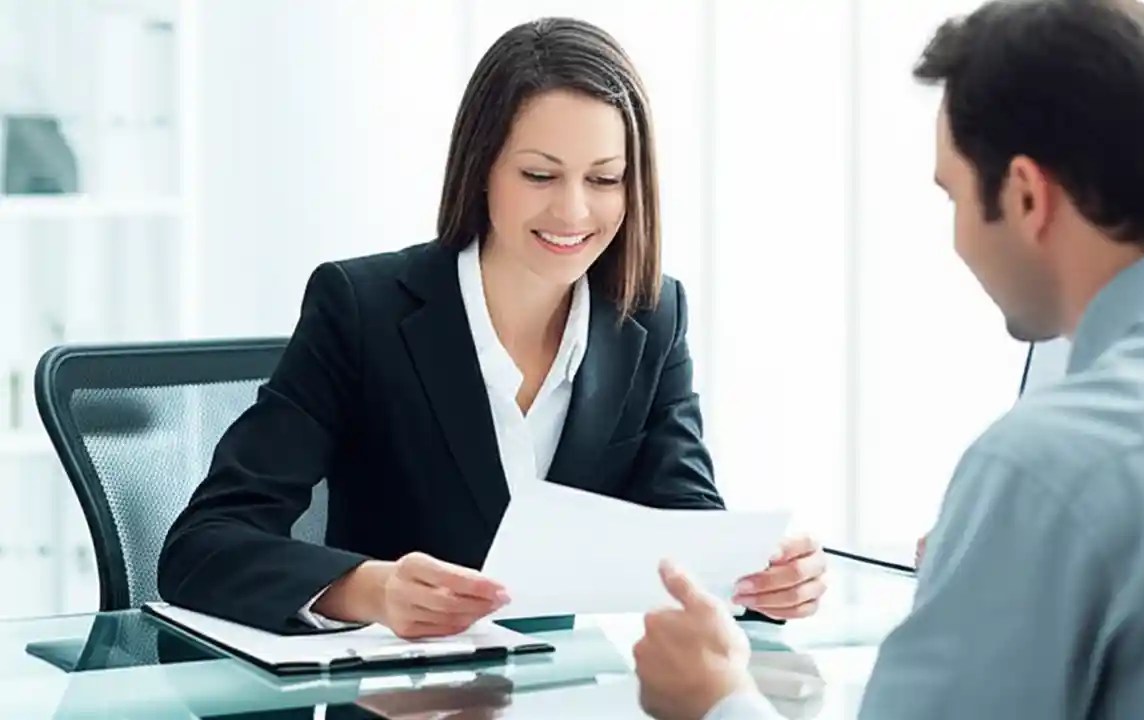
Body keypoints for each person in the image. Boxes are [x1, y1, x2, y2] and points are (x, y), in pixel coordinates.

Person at [632, 0, 1144, 718]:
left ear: (1028, 195)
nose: (959, 240)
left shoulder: (1047, 468)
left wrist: (717, 699)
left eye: (954, 196)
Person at [157, 17, 827, 638]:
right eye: (539, 175)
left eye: (605, 178)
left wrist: (758, 580)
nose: (573, 211)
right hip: (405, 700)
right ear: (482, 171)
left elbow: (683, 516)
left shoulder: (647, 314)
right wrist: (371, 590)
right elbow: (205, 545)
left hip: (576, 701)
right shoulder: (361, 309)